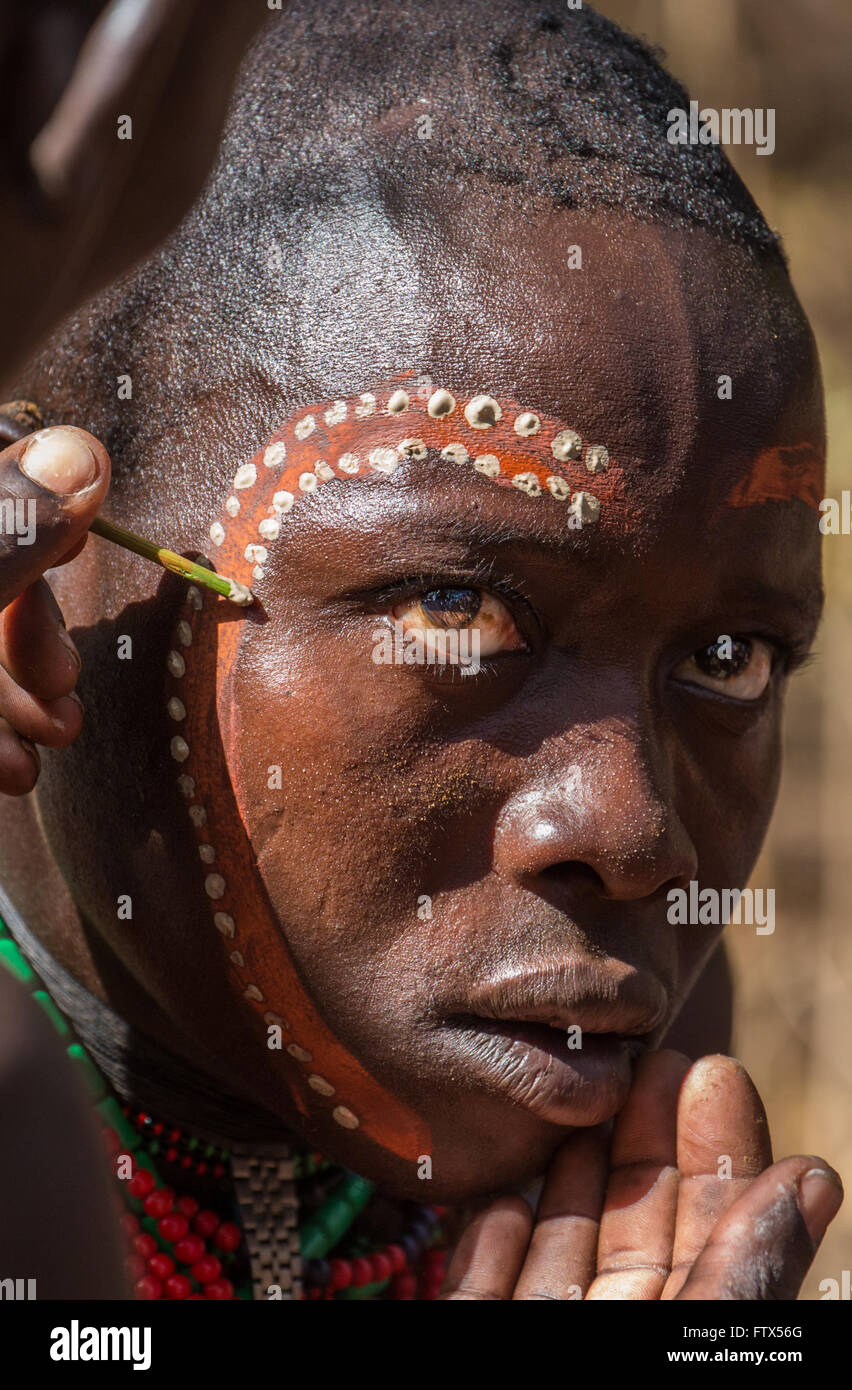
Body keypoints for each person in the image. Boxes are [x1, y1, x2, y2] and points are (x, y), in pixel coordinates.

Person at [0, 0, 842, 1301]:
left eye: (729, 655)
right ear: (39, 587)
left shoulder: (631, 1100)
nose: (633, 831)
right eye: (456, 611)